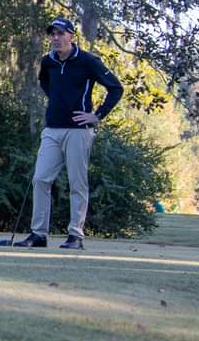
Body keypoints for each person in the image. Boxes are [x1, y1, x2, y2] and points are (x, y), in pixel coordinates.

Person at [13, 18, 124, 250]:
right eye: (52, 34)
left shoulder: (88, 61)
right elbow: (45, 84)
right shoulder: (48, 61)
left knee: (77, 183)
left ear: (71, 35)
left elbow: (116, 88)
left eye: (60, 33)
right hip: (52, 128)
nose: (55, 38)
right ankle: (38, 234)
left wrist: (97, 115)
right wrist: (58, 101)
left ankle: (75, 236)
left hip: (79, 131)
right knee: (41, 179)